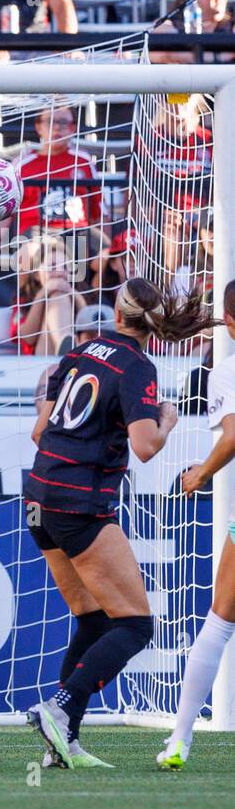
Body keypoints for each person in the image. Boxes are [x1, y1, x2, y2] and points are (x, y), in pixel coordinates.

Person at [24, 276, 214, 768]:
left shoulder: (78, 351)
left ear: (115, 311)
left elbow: (39, 430)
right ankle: (61, 708)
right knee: (133, 626)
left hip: (38, 496)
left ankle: (63, 743)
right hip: (79, 502)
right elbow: (147, 447)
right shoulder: (137, 367)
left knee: (91, 620)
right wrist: (168, 418)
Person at [167, 283, 235, 769]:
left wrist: (201, 472)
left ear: (229, 322)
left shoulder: (227, 369)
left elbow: (234, 436)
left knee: (219, 620)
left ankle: (180, 739)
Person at [0, 106, 101, 245]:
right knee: (44, 253)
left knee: (108, 254)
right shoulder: (22, 165)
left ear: (73, 128)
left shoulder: (83, 161)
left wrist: (108, 250)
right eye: (50, 121)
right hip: (36, 235)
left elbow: (100, 213)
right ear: (39, 126)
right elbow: (5, 211)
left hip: (77, 233)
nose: (57, 127)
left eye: (63, 122)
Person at [12, 235, 85, 356]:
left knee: (59, 296)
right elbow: (28, 338)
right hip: (41, 359)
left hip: (77, 355)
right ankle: (67, 349)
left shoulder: (80, 293)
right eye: (52, 266)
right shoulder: (23, 299)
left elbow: (91, 333)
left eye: (65, 267)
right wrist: (43, 294)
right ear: (36, 274)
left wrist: (76, 297)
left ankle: (67, 348)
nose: (60, 272)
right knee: (56, 297)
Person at [34, 303, 114, 407]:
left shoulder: (124, 374)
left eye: (105, 337)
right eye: (90, 337)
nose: (98, 343)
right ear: (77, 340)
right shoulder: (55, 373)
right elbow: (44, 413)